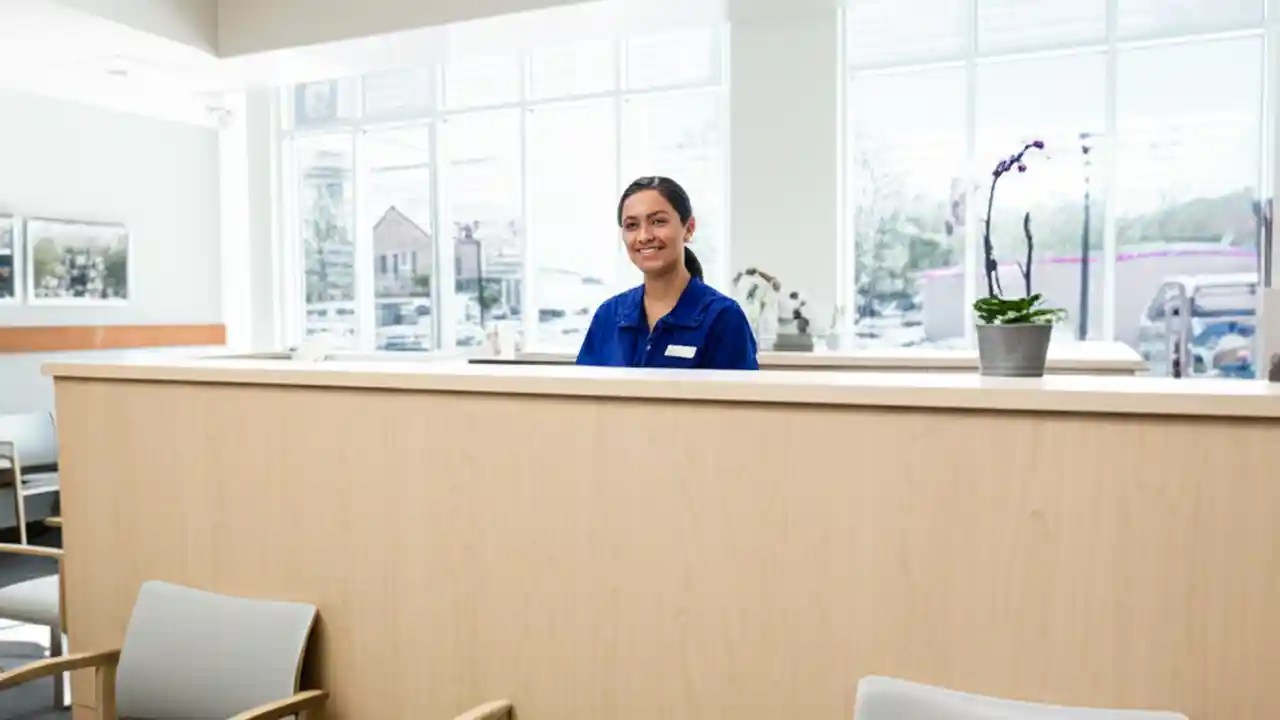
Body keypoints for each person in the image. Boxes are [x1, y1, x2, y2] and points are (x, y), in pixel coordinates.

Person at [576, 176, 759, 370]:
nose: (644, 236)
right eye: (632, 225)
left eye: (658, 221)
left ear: (688, 229)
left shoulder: (723, 318)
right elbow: (582, 395)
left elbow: (738, 398)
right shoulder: (609, 316)